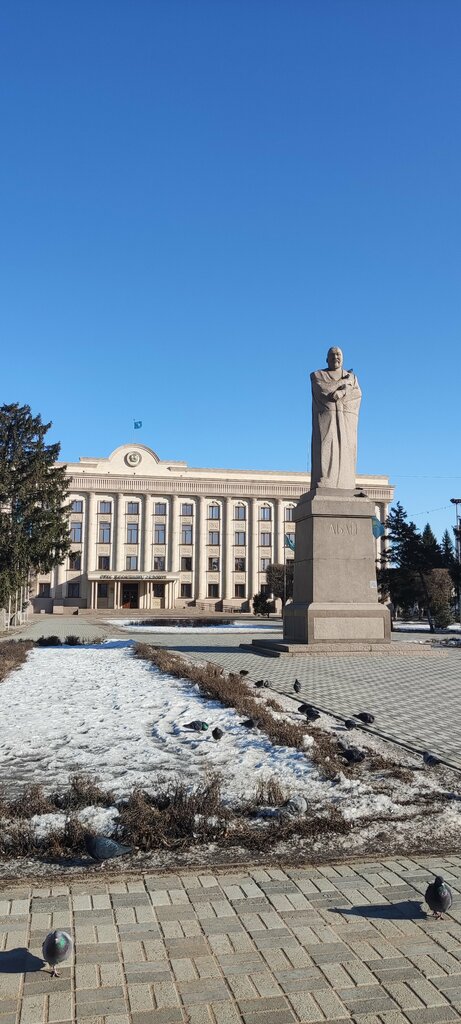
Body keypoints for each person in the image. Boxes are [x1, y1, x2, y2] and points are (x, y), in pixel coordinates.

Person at [310, 347, 361, 491]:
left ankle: (345, 482)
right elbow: (323, 390)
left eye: (338, 354)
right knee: (328, 445)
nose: (335, 357)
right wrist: (345, 385)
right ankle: (326, 478)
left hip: (346, 420)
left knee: (346, 448)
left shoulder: (353, 378)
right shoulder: (318, 375)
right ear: (326, 359)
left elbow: (357, 395)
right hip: (327, 419)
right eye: (332, 355)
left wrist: (344, 391)